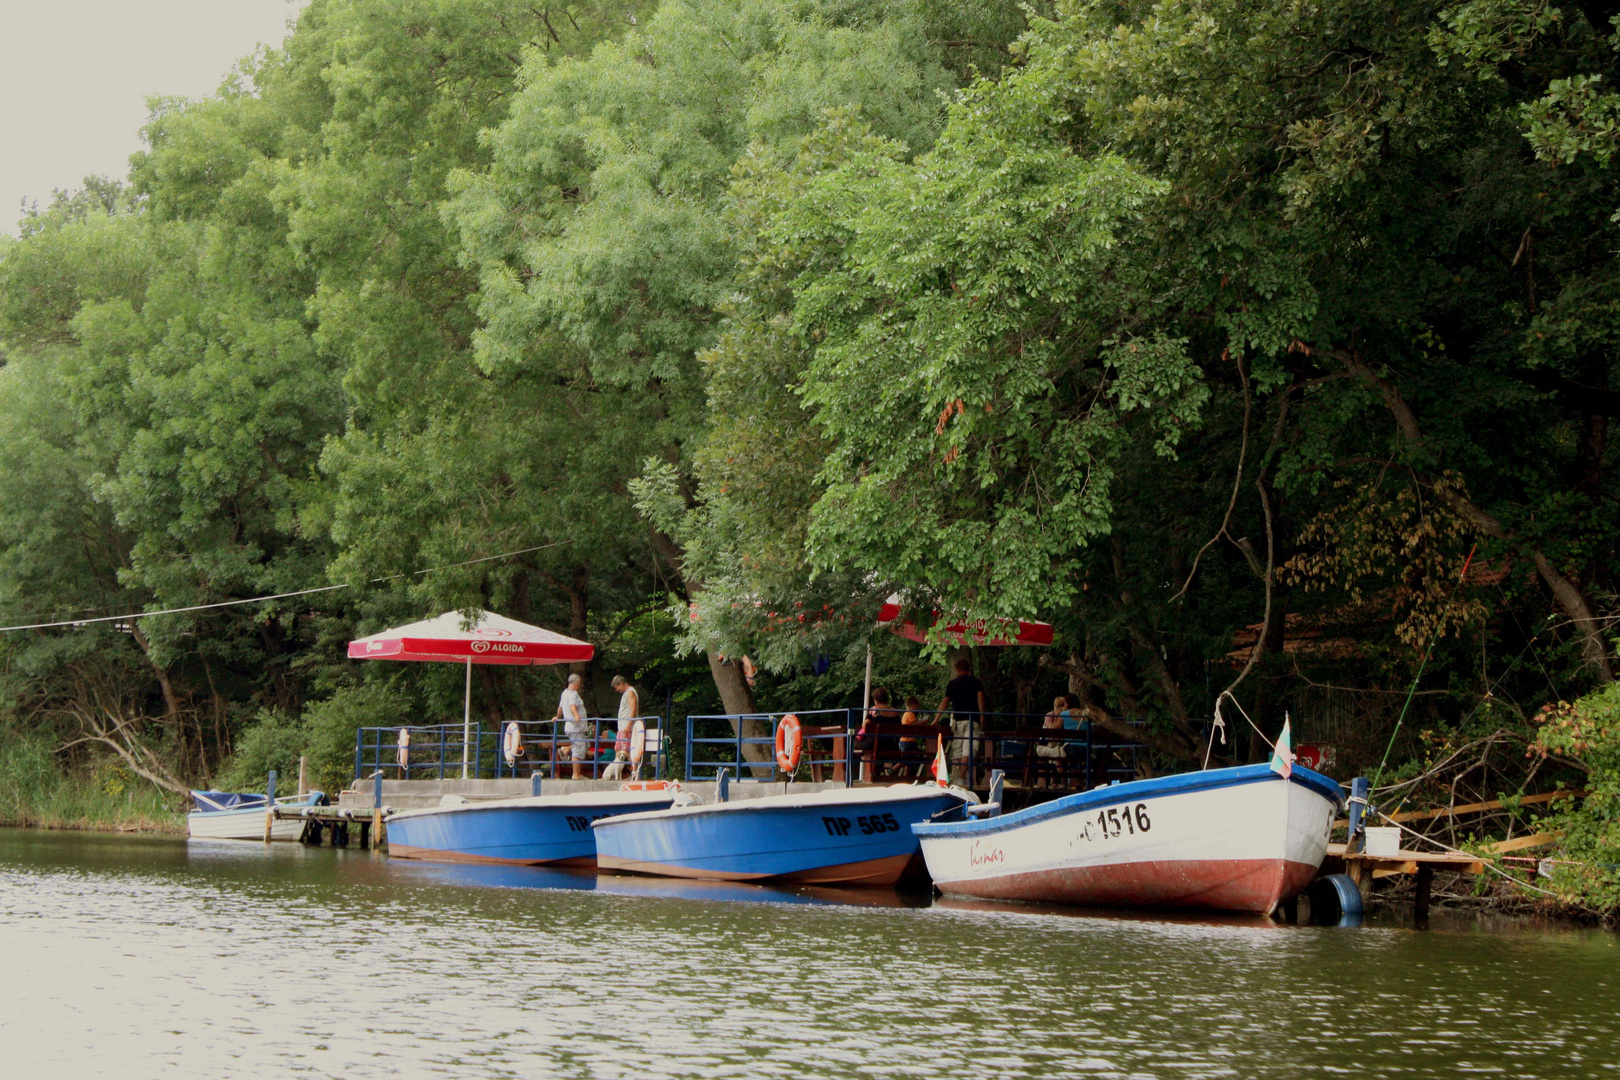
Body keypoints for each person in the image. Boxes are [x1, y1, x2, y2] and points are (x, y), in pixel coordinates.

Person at [938, 658, 986, 782]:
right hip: (972, 719)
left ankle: (962, 777)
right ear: (968, 669)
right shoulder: (976, 682)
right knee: (968, 749)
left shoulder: (952, 683)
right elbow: (980, 698)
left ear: (957, 669)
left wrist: (936, 719)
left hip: (957, 720)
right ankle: (963, 777)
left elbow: (945, 702)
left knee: (958, 750)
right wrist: (982, 715)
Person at [558, 673, 590, 780]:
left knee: (586, 745)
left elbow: (560, 708)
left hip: (572, 727)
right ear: (576, 682)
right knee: (578, 750)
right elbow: (572, 706)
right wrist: (576, 715)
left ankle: (566, 749)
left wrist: (557, 717)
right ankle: (576, 774)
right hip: (576, 727)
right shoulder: (573, 694)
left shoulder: (564, 693)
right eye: (579, 683)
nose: (580, 685)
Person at [611, 675, 639, 777]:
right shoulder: (626, 693)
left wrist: (628, 725)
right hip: (622, 727)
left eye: (617, 687)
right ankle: (617, 774)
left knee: (628, 751)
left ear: (621, 683)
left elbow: (633, 709)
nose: (616, 690)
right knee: (619, 750)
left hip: (627, 728)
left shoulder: (630, 692)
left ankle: (634, 773)